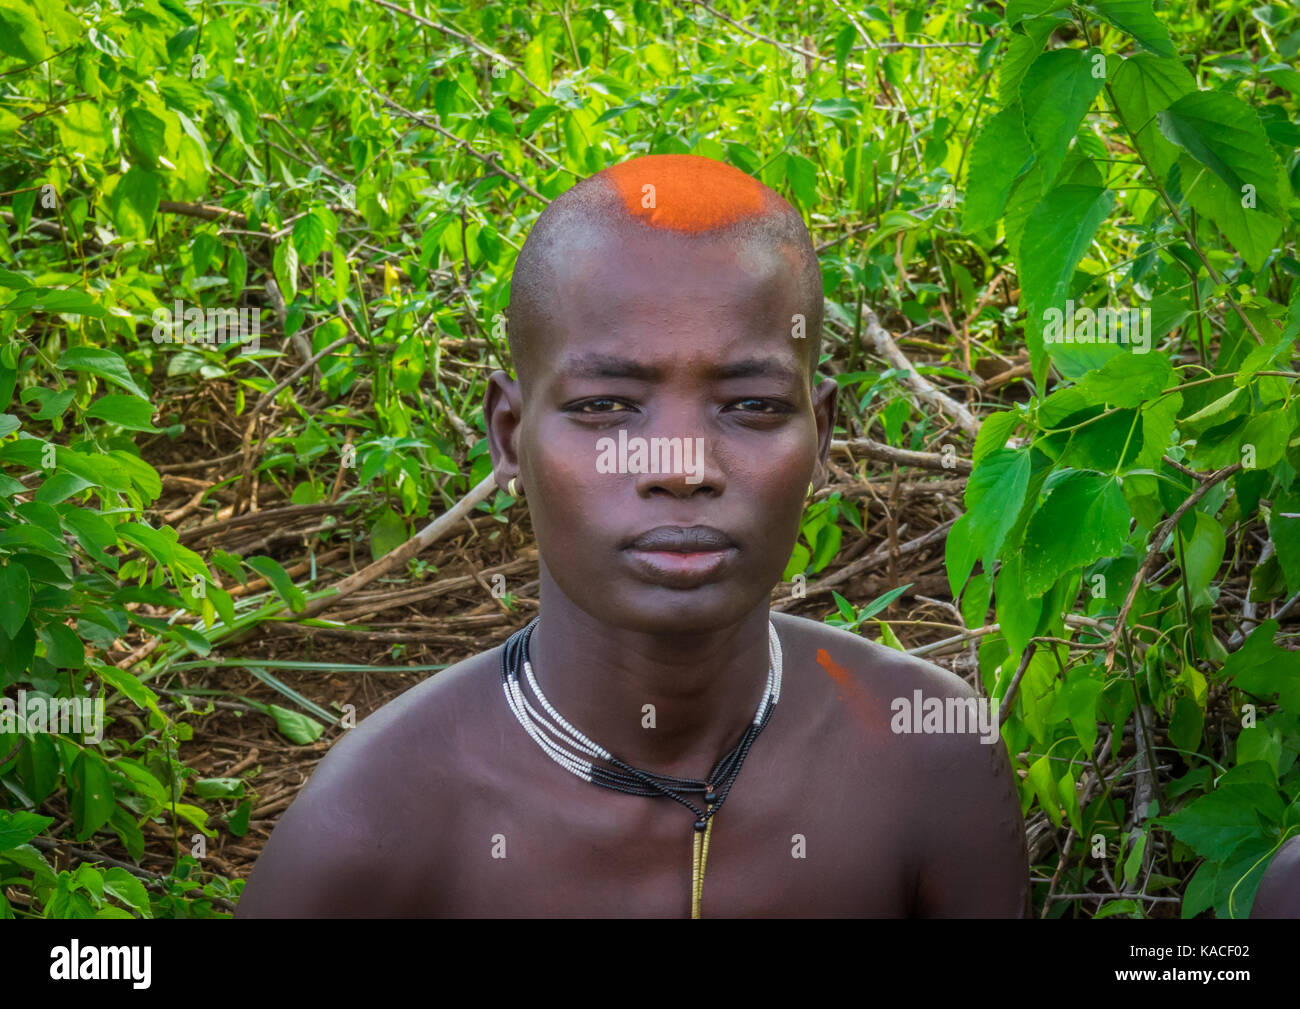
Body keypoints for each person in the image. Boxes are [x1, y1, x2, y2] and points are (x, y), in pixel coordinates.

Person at [236, 154, 1028, 917]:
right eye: (605, 405)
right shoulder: (372, 829)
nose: (683, 467)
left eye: (750, 406)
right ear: (510, 435)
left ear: (820, 434)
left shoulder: (928, 760)